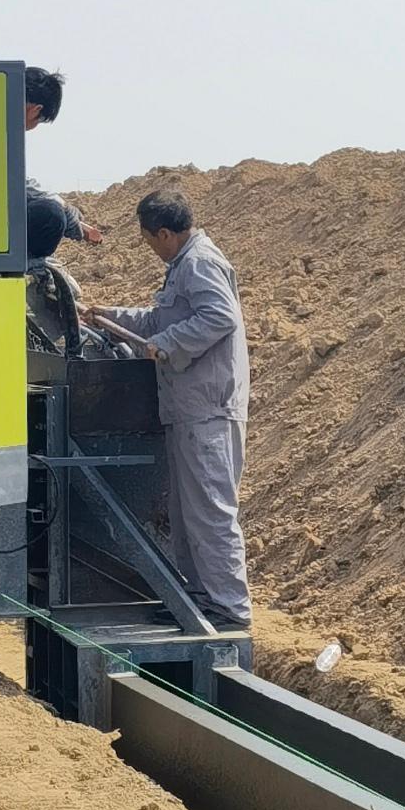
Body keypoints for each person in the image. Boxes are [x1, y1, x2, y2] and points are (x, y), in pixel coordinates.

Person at [92, 190, 250, 632]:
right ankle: (200, 599)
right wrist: (109, 316)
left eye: (148, 239)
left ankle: (230, 608)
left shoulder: (199, 263)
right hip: (188, 410)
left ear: (163, 233)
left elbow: (220, 317)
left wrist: (168, 344)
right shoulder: (184, 266)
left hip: (207, 411)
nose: (149, 247)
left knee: (210, 513)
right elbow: (158, 321)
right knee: (187, 515)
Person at [20, 64, 93, 262]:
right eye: (38, 121)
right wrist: (64, 209)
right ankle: (29, 262)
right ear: (35, 110)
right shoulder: (4, 134)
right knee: (51, 215)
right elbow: (16, 183)